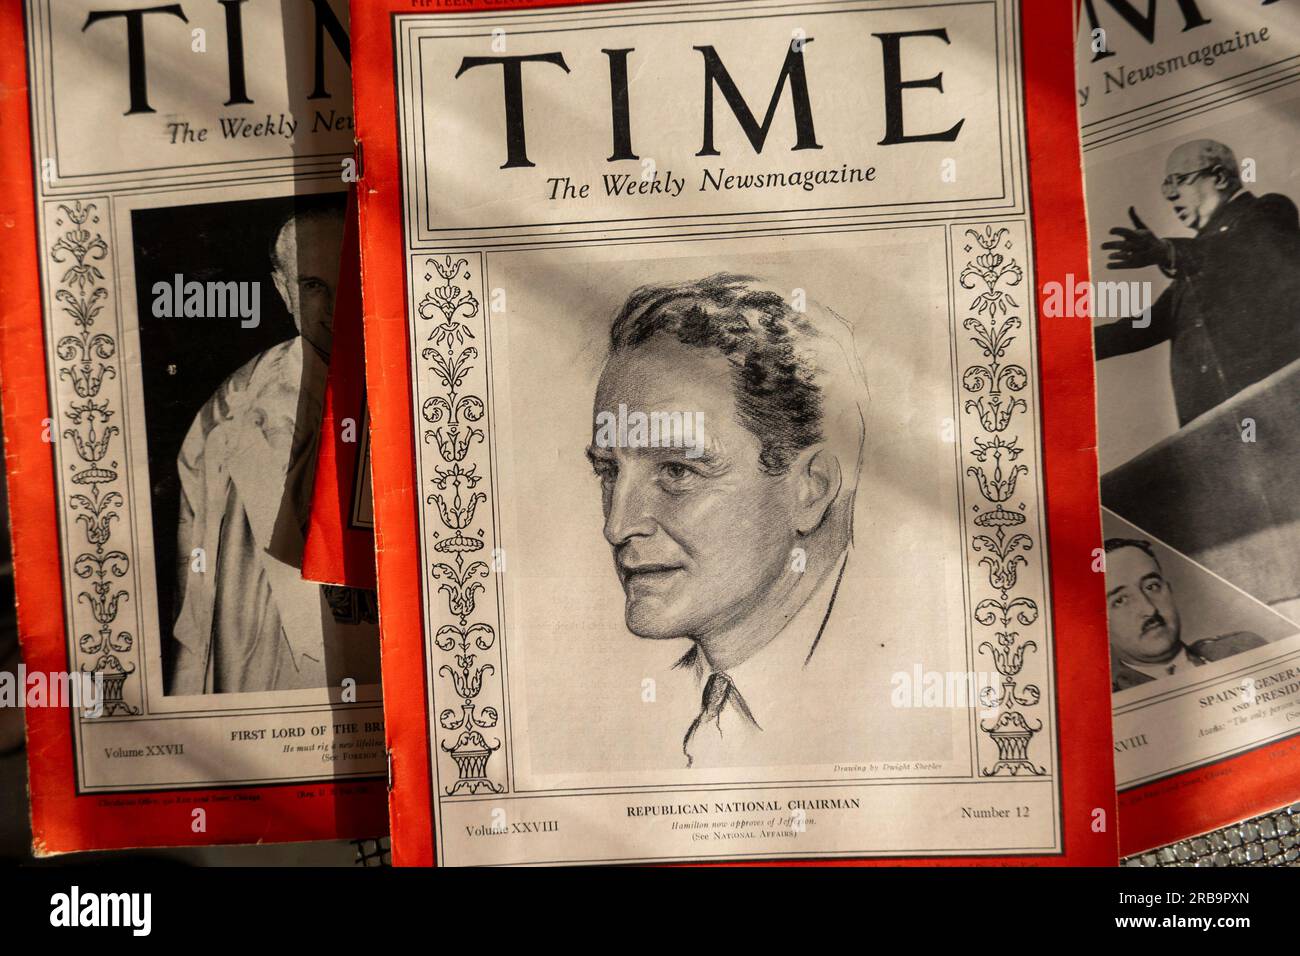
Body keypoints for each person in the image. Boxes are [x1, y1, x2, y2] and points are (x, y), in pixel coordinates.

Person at [587, 273, 868, 767]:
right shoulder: (645, 716)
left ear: (812, 489)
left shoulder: (889, 678)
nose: (618, 525)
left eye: (677, 470)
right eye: (609, 471)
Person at [169, 202, 377, 694]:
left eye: (348, 276)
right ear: (284, 291)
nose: (335, 306)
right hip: (266, 661)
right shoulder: (230, 414)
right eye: (312, 286)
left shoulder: (425, 381)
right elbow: (193, 581)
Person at [1094, 139, 1300, 426]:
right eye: (1167, 187)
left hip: (1276, 410)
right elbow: (1145, 325)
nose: (1172, 196)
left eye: (1178, 181)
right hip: (1213, 429)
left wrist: (1169, 251)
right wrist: (1073, 345)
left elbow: (1245, 249)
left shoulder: (1270, 211)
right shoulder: (1195, 261)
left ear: (1218, 177)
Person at [1104, 538, 1264, 692]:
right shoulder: (1111, 707)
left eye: (1151, 586)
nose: (1149, 609)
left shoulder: (1245, 648)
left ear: (1169, 590)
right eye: (1120, 600)